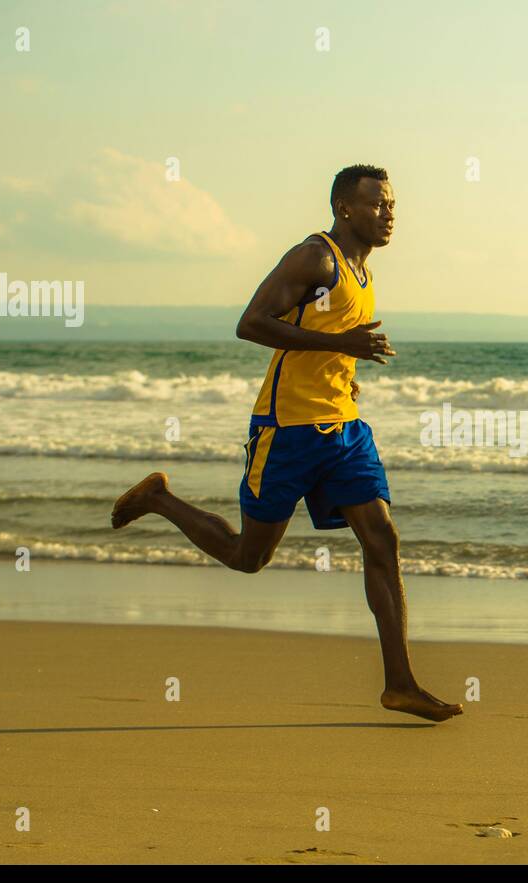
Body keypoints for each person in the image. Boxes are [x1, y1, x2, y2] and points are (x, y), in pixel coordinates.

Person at [111, 164, 463, 723]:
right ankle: (158, 498)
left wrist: (344, 366)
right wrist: (338, 340)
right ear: (345, 208)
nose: (388, 213)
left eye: (392, 204)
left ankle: (400, 685)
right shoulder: (314, 257)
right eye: (377, 204)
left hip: (345, 430)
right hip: (288, 431)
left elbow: (330, 349)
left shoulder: (362, 273)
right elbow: (251, 323)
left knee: (381, 538)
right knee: (248, 558)